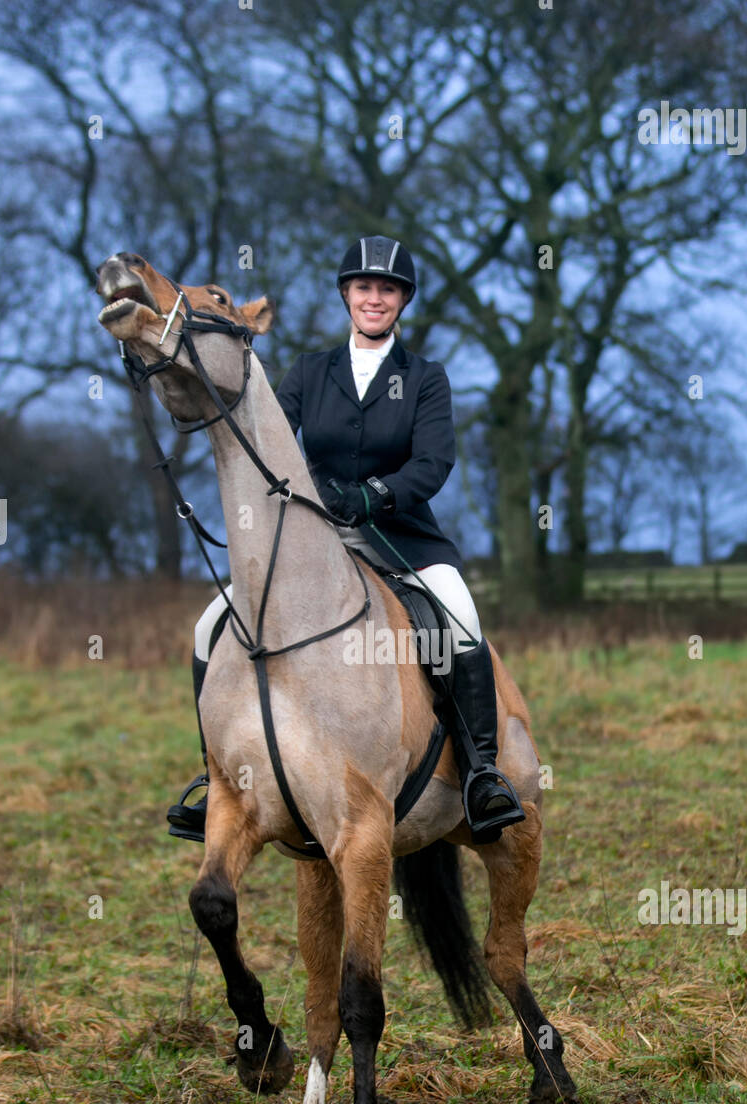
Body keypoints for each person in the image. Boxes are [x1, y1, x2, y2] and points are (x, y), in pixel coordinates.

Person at [167, 235, 525, 845]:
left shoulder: (426, 380)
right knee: (209, 629)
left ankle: (481, 774)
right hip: (314, 542)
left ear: (402, 300)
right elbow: (268, 439)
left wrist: (373, 496)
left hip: (404, 541)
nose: (375, 298)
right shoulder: (310, 371)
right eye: (364, 287)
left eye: (387, 289)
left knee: (460, 621)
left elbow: (434, 464)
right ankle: (216, 780)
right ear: (346, 294)